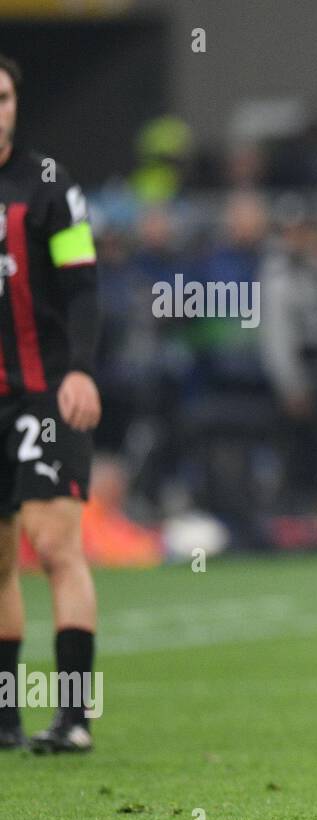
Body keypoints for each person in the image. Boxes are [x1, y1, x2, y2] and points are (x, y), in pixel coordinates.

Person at [0, 55, 103, 752]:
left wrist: (82, 370)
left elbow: (84, 285)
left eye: (2, 96)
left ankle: (73, 718)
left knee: (56, 545)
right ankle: (4, 718)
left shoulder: (47, 185)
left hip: (43, 392)